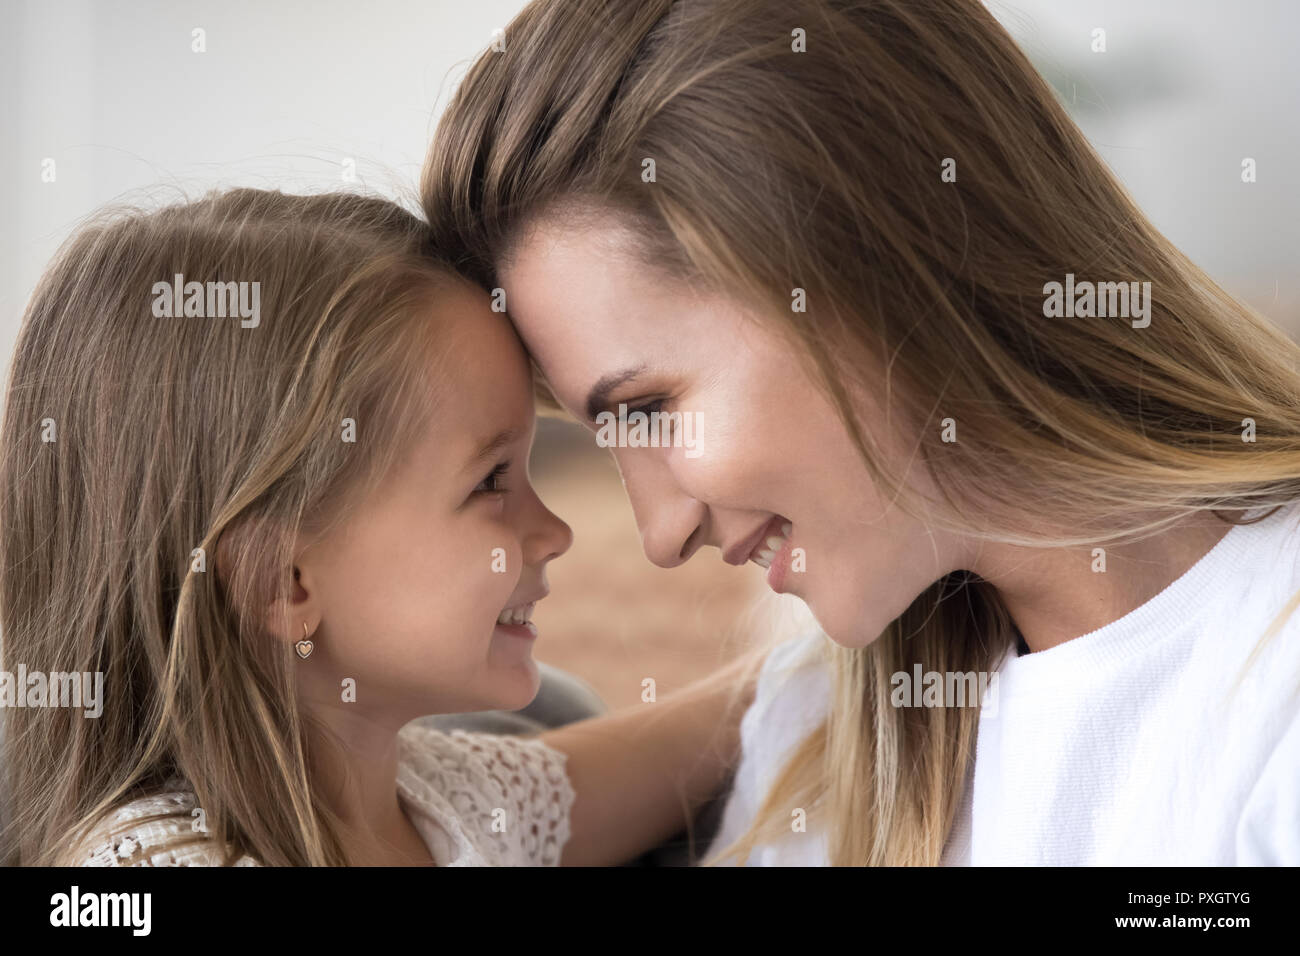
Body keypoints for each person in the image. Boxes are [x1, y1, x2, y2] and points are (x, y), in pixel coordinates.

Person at [421, 0, 1300, 864]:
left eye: (648, 410)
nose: (662, 535)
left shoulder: (1271, 694)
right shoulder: (823, 737)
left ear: (861, 268)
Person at [0, 188, 760, 867]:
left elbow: (717, 727)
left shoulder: (444, 802)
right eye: (491, 482)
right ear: (283, 583)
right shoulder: (151, 864)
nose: (555, 532)